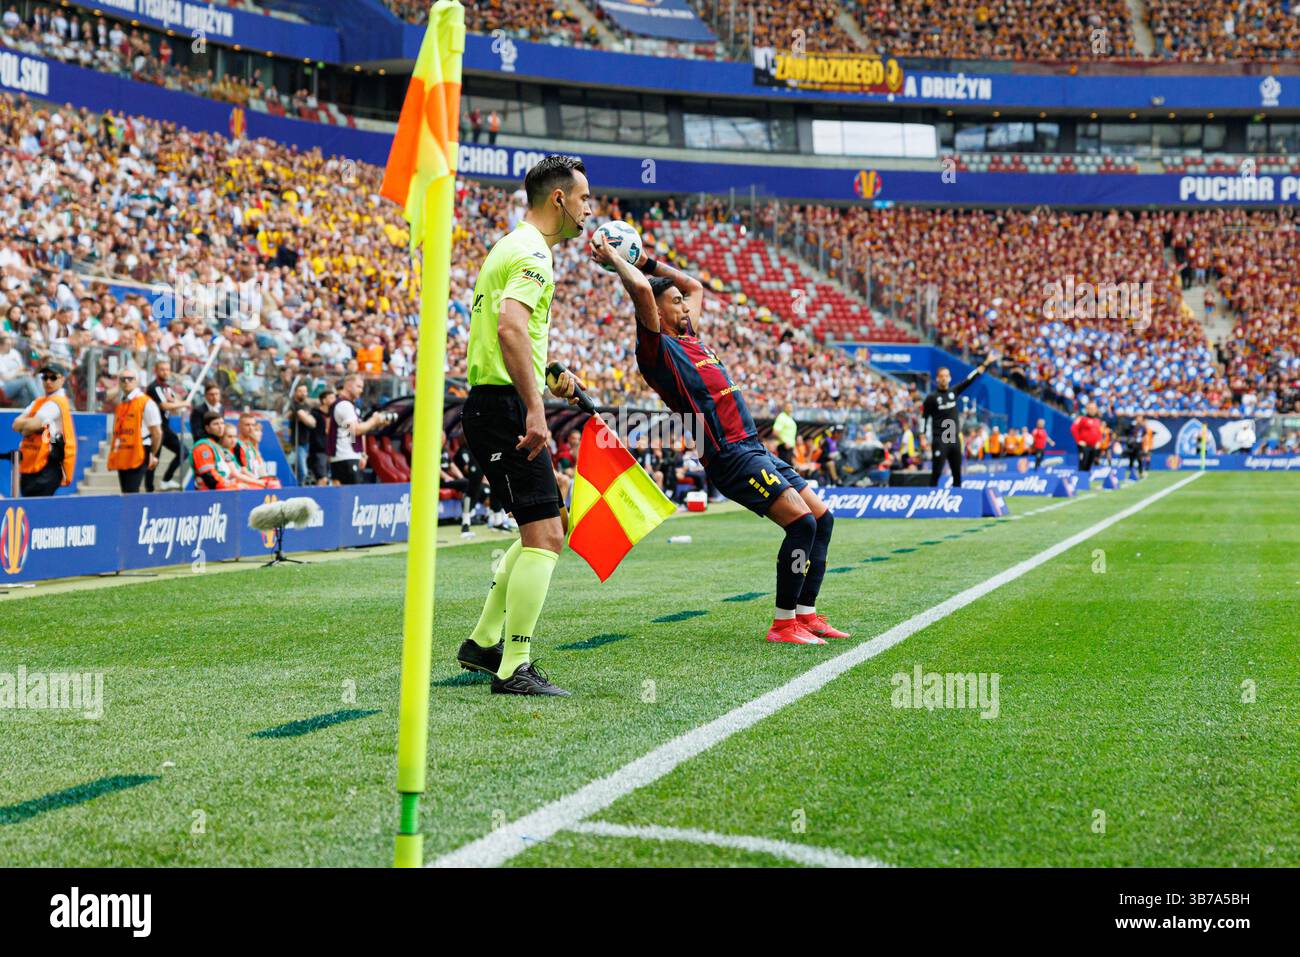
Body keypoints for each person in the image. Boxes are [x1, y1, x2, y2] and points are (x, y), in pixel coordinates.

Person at [593, 226, 850, 647]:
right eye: (675, 302)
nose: (685, 304)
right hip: (728, 455)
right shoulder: (656, 351)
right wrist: (618, 260)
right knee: (801, 523)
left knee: (823, 519)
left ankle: (807, 614)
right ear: (656, 312)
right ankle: (783, 624)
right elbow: (640, 291)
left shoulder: (691, 338)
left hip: (753, 447)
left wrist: (646, 261)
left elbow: (694, 284)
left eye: (682, 302)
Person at [456, 155, 591, 697]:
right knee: (547, 536)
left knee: (544, 526)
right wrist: (534, 408)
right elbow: (510, 329)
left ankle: (483, 643)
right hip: (503, 408)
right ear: (559, 199)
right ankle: (514, 667)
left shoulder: (509, 245)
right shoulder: (534, 253)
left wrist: (547, 376)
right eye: (584, 198)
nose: (589, 208)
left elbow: (511, 334)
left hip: (496, 402)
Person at [921, 355, 996, 487]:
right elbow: (924, 418)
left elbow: (970, 379)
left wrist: (985, 363)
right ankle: (930, 496)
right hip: (940, 440)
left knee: (957, 474)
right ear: (937, 378)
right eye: (941, 376)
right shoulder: (931, 398)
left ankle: (958, 496)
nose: (944, 378)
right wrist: (922, 437)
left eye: (946, 376)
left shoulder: (953, 392)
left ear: (950, 378)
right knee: (936, 473)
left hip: (954, 440)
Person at [12, 365, 76, 497]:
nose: (48, 381)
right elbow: (15, 425)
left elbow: (31, 425)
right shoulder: (39, 401)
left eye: (53, 377)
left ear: (62, 380)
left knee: (38, 505)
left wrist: (27, 427)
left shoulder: (58, 402)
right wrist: (29, 426)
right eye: (45, 377)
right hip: (30, 462)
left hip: (48, 464)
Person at [327, 374, 389, 485]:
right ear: (348, 386)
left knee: (348, 494)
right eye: (359, 386)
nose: (361, 390)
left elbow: (353, 433)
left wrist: (362, 454)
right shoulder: (344, 405)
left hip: (348, 456)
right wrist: (374, 420)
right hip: (345, 457)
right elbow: (356, 431)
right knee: (352, 494)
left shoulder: (349, 406)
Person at [108, 369, 162, 494]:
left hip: (140, 451)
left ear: (137, 381)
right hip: (124, 452)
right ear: (119, 382)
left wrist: (152, 454)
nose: (126, 381)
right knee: (126, 492)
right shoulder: (121, 404)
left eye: (130, 378)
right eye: (123, 379)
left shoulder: (146, 402)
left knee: (131, 492)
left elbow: (157, 432)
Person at [145, 360, 186, 491]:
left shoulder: (167, 388)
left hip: (166, 428)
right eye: (162, 369)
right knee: (153, 459)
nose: (165, 372)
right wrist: (183, 403)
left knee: (183, 452)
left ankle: (166, 479)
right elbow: (164, 405)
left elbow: (174, 408)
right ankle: (149, 489)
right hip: (154, 428)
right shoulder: (154, 387)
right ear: (156, 371)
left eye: (167, 369)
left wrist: (175, 402)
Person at [191, 409, 237, 491]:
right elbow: (211, 479)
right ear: (207, 428)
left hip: (223, 491)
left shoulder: (216, 446)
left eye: (222, 423)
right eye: (216, 424)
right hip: (209, 495)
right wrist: (234, 486)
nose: (220, 427)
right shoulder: (203, 447)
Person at [234, 412, 281, 488]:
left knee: (275, 483)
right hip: (245, 482)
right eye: (247, 425)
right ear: (239, 426)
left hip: (255, 480)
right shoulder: (236, 445)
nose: (251, 428)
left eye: (253, 425)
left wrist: (266, 478)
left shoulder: (251, 445)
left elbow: (259, 466)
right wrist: (258, 480)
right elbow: (242, 470)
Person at [287, 382, 316, 483]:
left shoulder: (307, 406)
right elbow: (309, 421)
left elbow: (313, 422)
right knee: (302, 471)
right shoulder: (293, 405)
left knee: (303, 470)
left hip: (307, 441)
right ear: (295, 392)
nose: (303, 393)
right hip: (297, 442)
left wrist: (306, 417)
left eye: (305, 391)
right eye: (300, 391)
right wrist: (305, 417)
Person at [308, 387, 334, 484]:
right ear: (324, 400)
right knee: (322, 478)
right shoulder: (315, 414)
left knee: (331, 479)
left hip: (330, 450)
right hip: (319, 450)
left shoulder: (334, 414)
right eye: (331, 398)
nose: (334, 400)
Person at [1071, 401, 1104, 472]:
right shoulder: (1081, 418)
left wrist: (1099, 441)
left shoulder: (1097, 420)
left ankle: (1087, 478)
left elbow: (1099, 433)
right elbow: (1073, 429)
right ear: (1087, 409)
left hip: (1094, 447)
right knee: (1083, 465)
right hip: (1084, 447)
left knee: (1090, 466)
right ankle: (1081, 477)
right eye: (1091, 408)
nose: (1092, 410)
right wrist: (1078, 440)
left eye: (1094, 408)